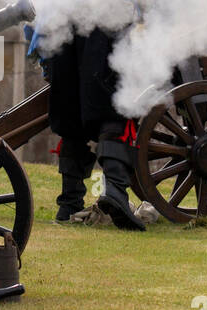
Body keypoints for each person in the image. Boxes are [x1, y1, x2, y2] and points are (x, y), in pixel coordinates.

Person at [41, 25, 147, 231]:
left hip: (61, 29)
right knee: (116, 106)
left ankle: (69, 205)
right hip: (104, 24)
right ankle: (115, 191)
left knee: (71, 116)